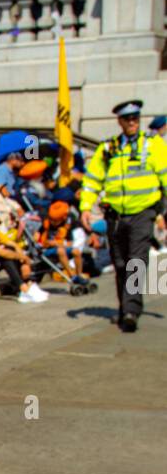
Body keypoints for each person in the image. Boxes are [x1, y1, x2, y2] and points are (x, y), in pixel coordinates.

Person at [80, 99, 167, 332]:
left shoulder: (153, 145)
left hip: (143, 212)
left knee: (136, 261)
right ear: (119, 121)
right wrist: (85, 207)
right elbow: (92, 180)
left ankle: (131, 310)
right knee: (120, 263)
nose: (132, 122)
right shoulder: (108, 148)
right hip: (116, 216)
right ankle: (125, 306)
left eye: (135, 118)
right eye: (127, 119)